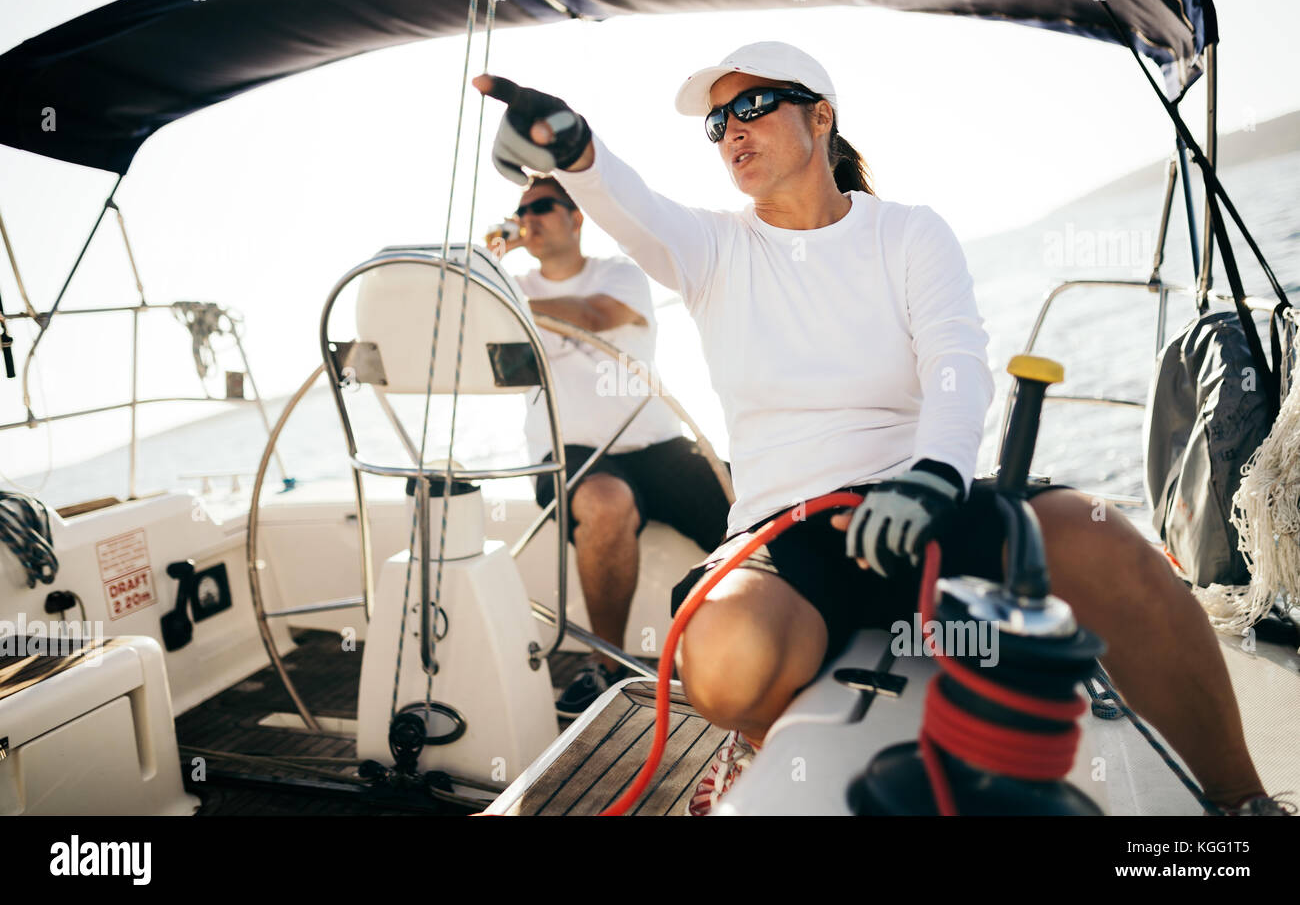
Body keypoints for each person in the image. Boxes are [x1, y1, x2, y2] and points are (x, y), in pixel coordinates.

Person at [471, 42, 1287, 817]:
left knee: (1105, 543)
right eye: (718, 123)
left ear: (820, 117)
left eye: (753, 105)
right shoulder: (711, 249)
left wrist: (934, 470)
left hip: (924, 499)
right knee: (722, 663)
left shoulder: (907, 231)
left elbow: (956, 360)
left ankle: (1239, 806)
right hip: (784, 534)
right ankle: (763, 745)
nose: (732, 132)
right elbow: (623, 198)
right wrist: (572, 146)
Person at [489, 174, 731, 718]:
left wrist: (513, 309)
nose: (530, 217)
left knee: (749, 507)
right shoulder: (508, 288)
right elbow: (463, 297)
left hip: (657, 444)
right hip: (570, 455)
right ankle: (609, 664)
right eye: (521, 210)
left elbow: (598, 316)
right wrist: (500, 242)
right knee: (604, 504)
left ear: (577, 217)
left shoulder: (618, 275)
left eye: (544, 206)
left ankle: (790, 630)